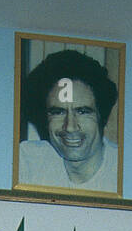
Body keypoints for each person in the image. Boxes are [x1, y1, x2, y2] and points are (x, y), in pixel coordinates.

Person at [18, 48, 119, 192]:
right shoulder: (27, 160)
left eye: (82, 111)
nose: (70, 127)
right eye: (58, 112)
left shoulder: (124, 168)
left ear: (101, 116)